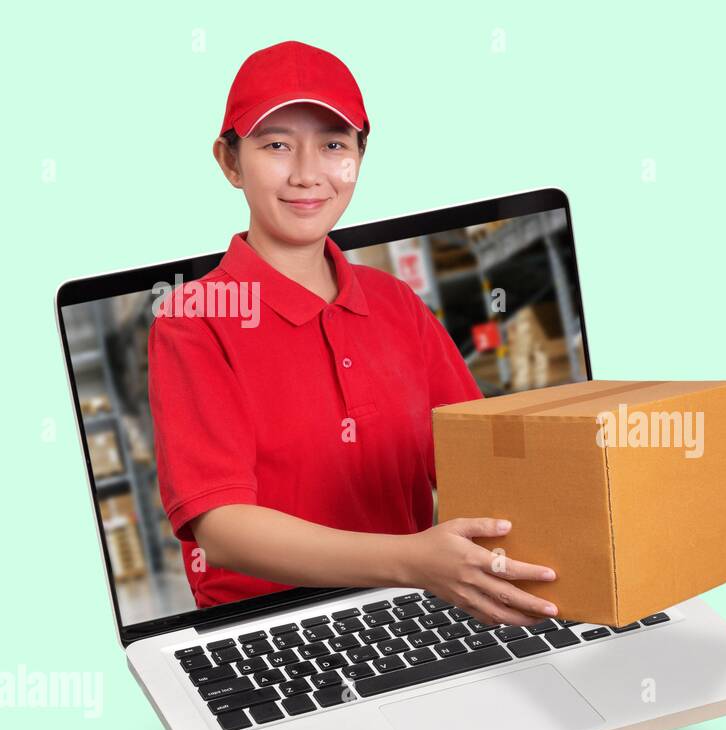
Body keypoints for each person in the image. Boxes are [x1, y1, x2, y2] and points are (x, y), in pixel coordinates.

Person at [148, 40, 556, 627]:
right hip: (270, 631)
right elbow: (223, 528)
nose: (308, 173)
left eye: (334, 145)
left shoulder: (394, 302)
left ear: (359, 158)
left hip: (420, 610)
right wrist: (413, 560)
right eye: (277, 145)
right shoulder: (195, 319)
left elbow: (481, 458)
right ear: (230, 162)